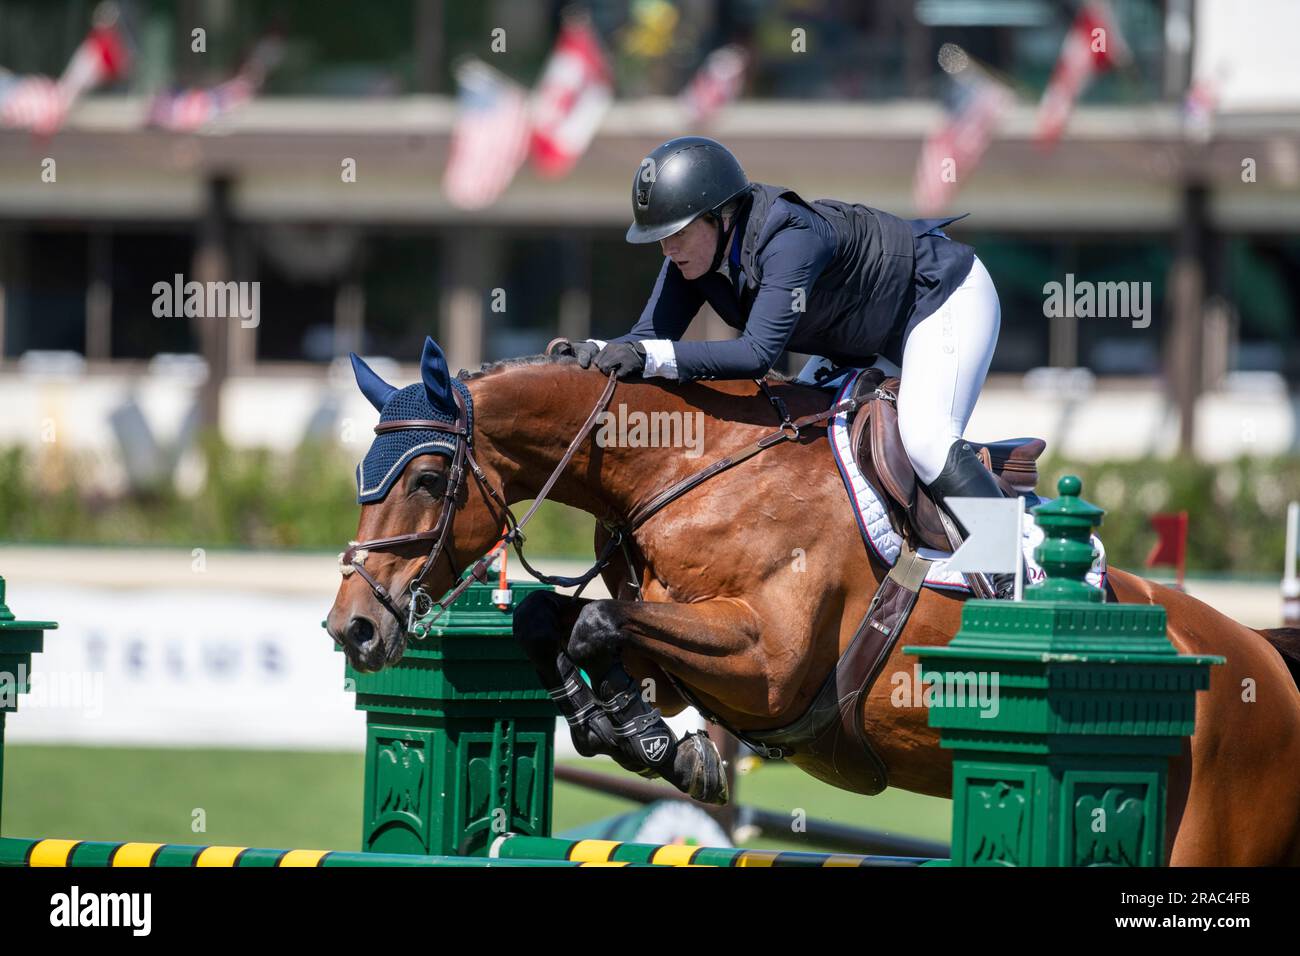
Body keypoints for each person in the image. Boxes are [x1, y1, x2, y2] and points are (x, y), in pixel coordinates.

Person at [553, 136, 1013, 596]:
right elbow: (647, 339)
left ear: (721, 216)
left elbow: (756, 355)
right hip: (856, 338)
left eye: (677, 234)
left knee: (927, 439)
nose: (667, 249)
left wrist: (650, 356)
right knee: (790, 434)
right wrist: (592, 353)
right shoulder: (696, 255)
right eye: (661, 238)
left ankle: (1011, 567)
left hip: (940, 299)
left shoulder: (791, 238)